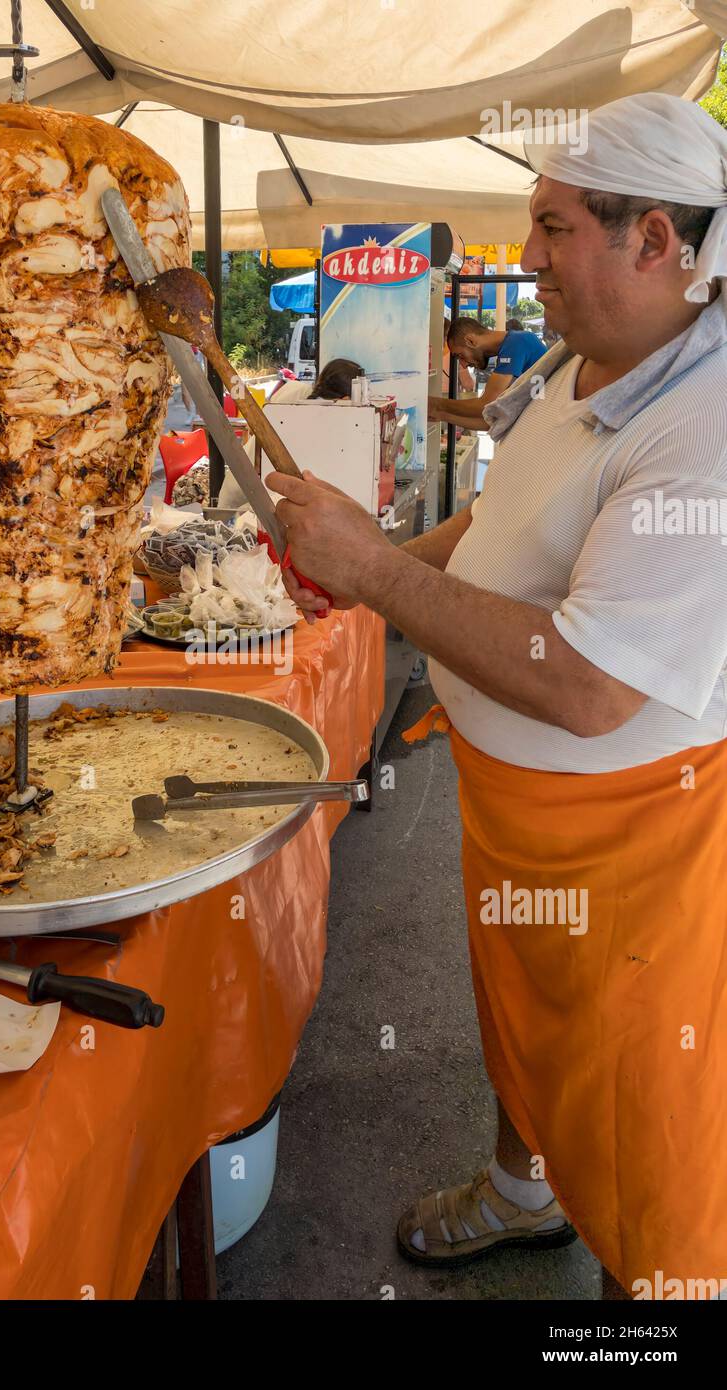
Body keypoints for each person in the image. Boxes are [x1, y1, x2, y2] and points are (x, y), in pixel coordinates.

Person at [267, 92, 727, 1301]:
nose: (525, 259)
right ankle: (525, 1190)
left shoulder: (707, 426)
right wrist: (366, 586)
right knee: (521, 1025)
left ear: (658, 240)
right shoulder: (595, 360)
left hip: (637, 848)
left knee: (645, 1106)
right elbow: (497, 520)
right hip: (519, 814)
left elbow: (589, 686)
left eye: (554, 226)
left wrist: (367, 563)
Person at [217, 358, 362, 510]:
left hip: (247, 486)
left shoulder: (297, 393)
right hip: (248, 496)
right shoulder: (312, 417)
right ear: (345, 399)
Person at [428, 316, 547, 430]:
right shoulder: (510, 348)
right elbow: (492, 420)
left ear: (470, 341)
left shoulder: (516, 342)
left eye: (460, 355)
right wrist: (442, 415)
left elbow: (485, 405)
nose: (463, 365)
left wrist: (437, 404)